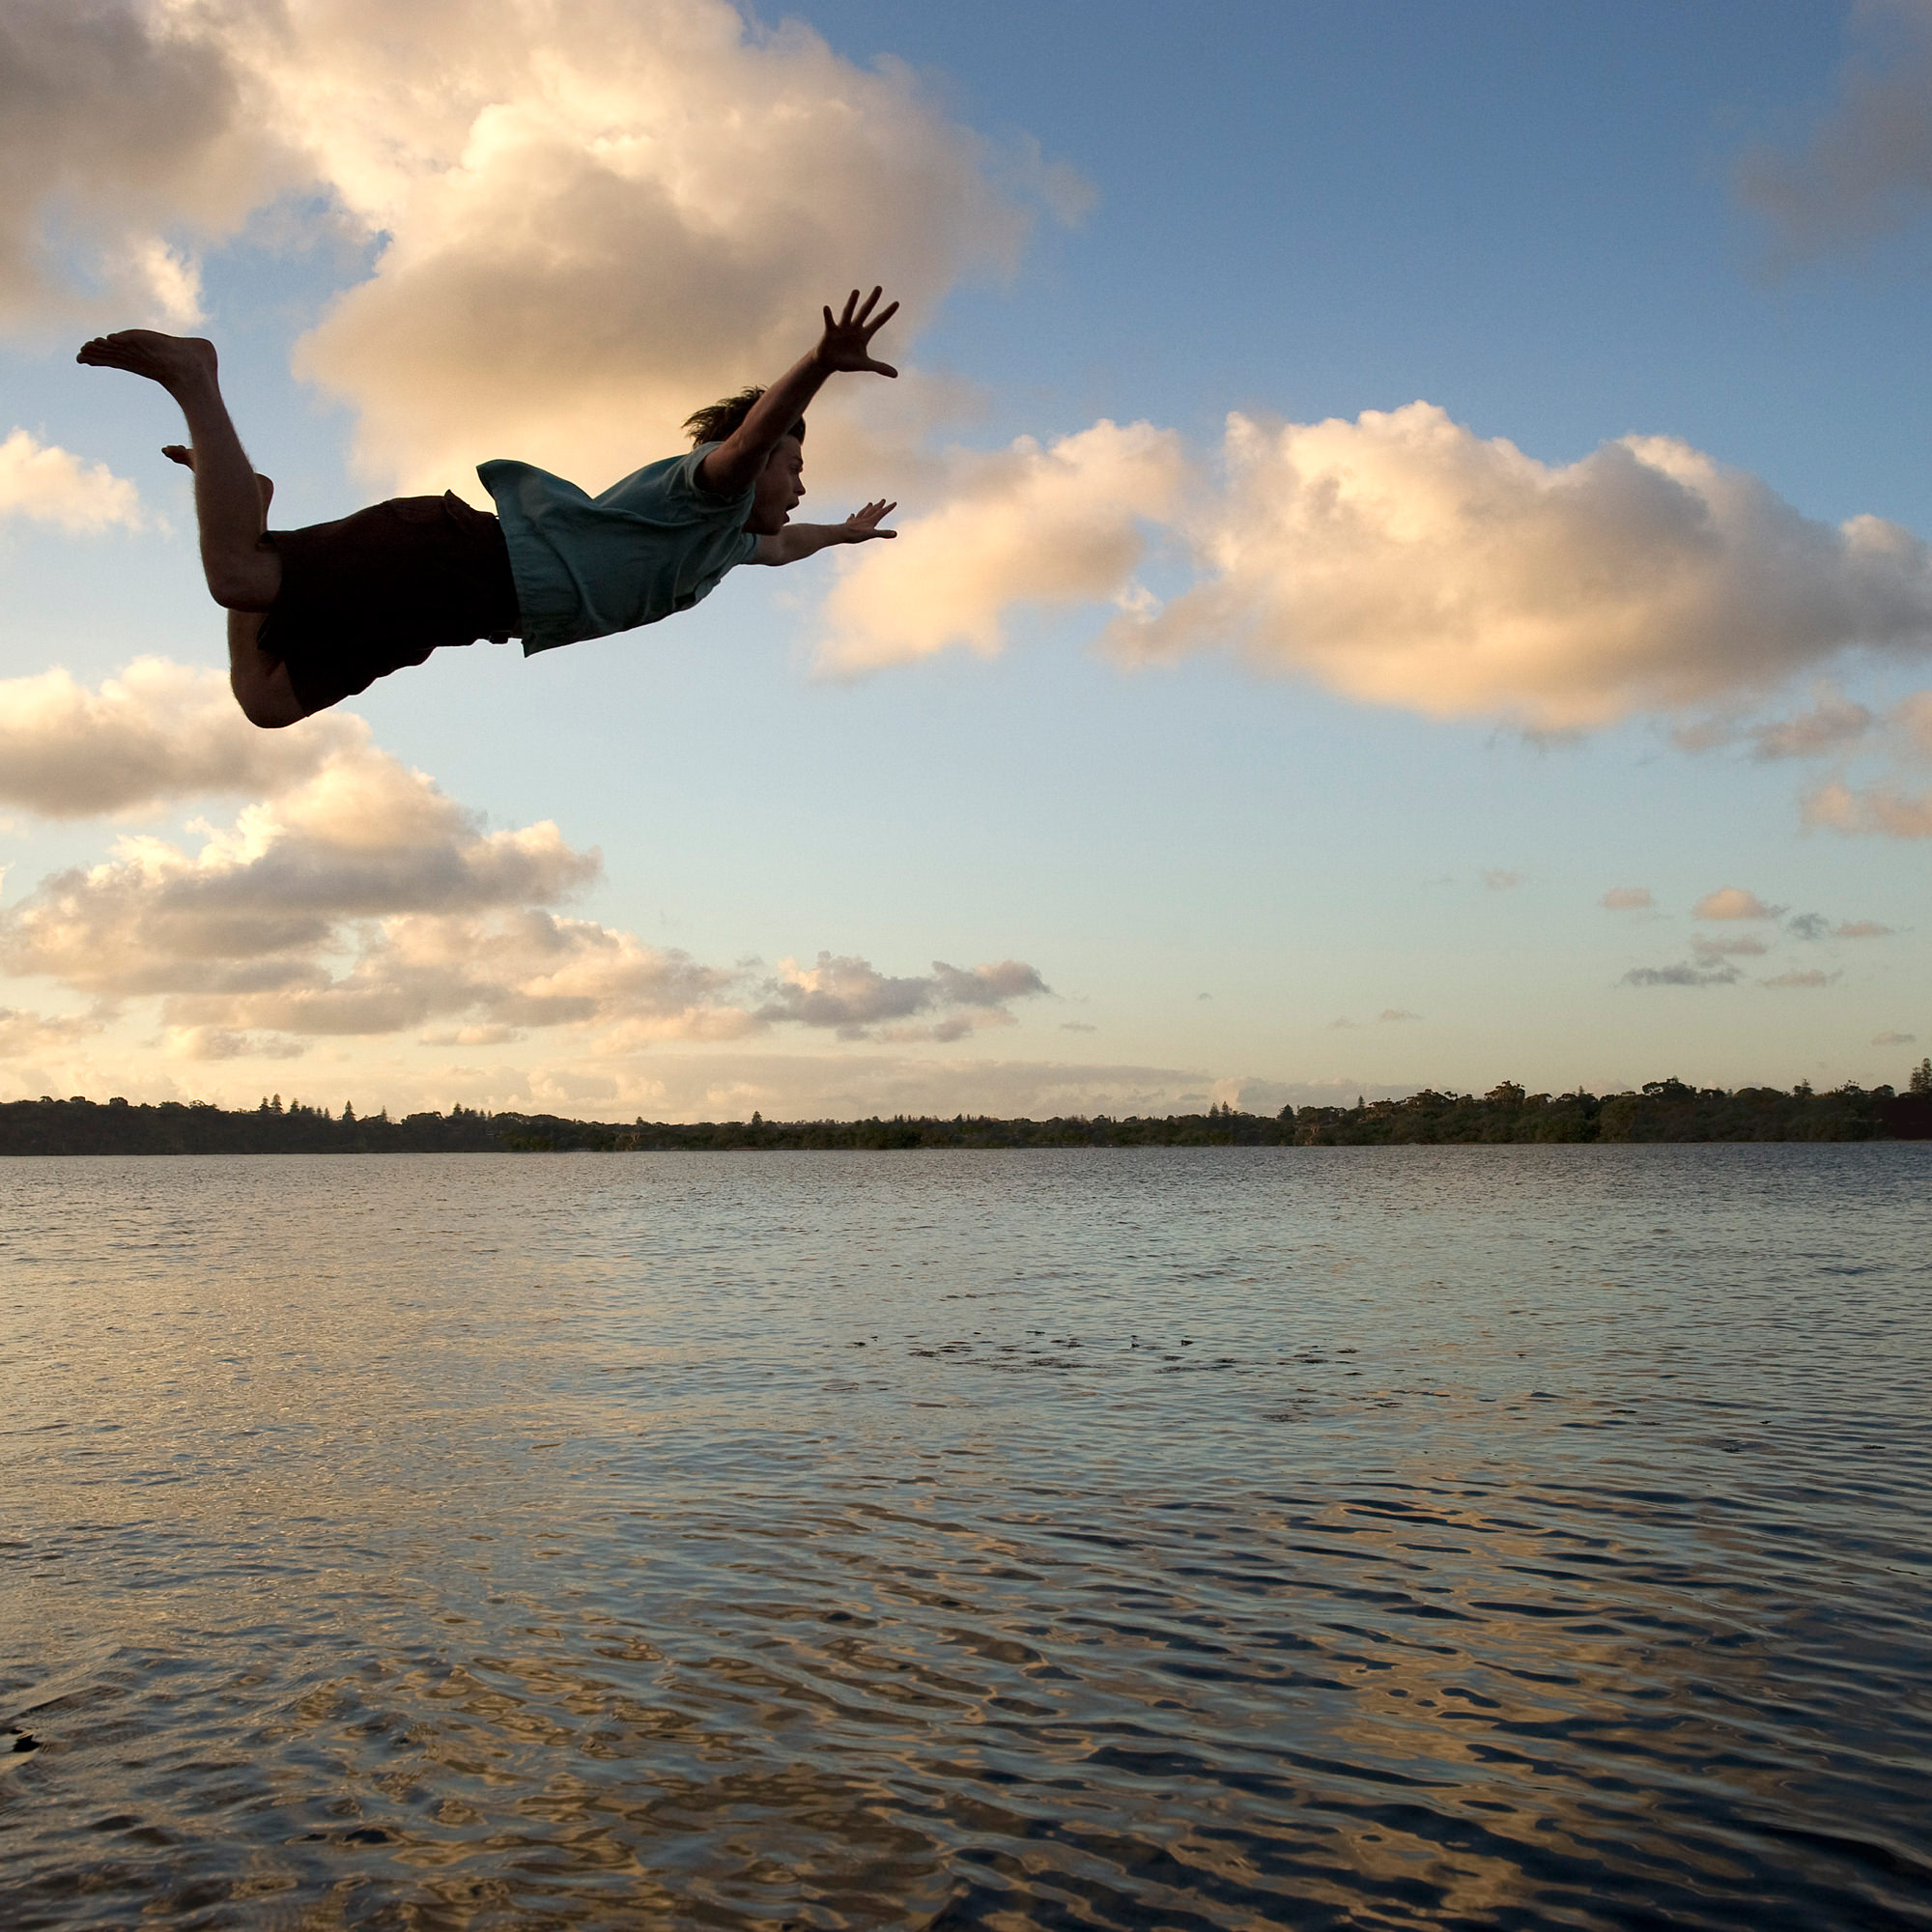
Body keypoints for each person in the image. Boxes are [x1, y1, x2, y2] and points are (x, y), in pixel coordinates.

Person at [76, 289, 902, 726]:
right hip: (451, 556)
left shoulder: (722, 549)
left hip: (451, 613)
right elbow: (752, 442)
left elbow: (787, 545)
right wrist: (817, 364)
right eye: (794, 466)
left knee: (265, 703)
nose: (798, 486)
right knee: (238, 575)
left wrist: (845, 534)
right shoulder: (703, 493)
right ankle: (196, 378)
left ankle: (248, 505)